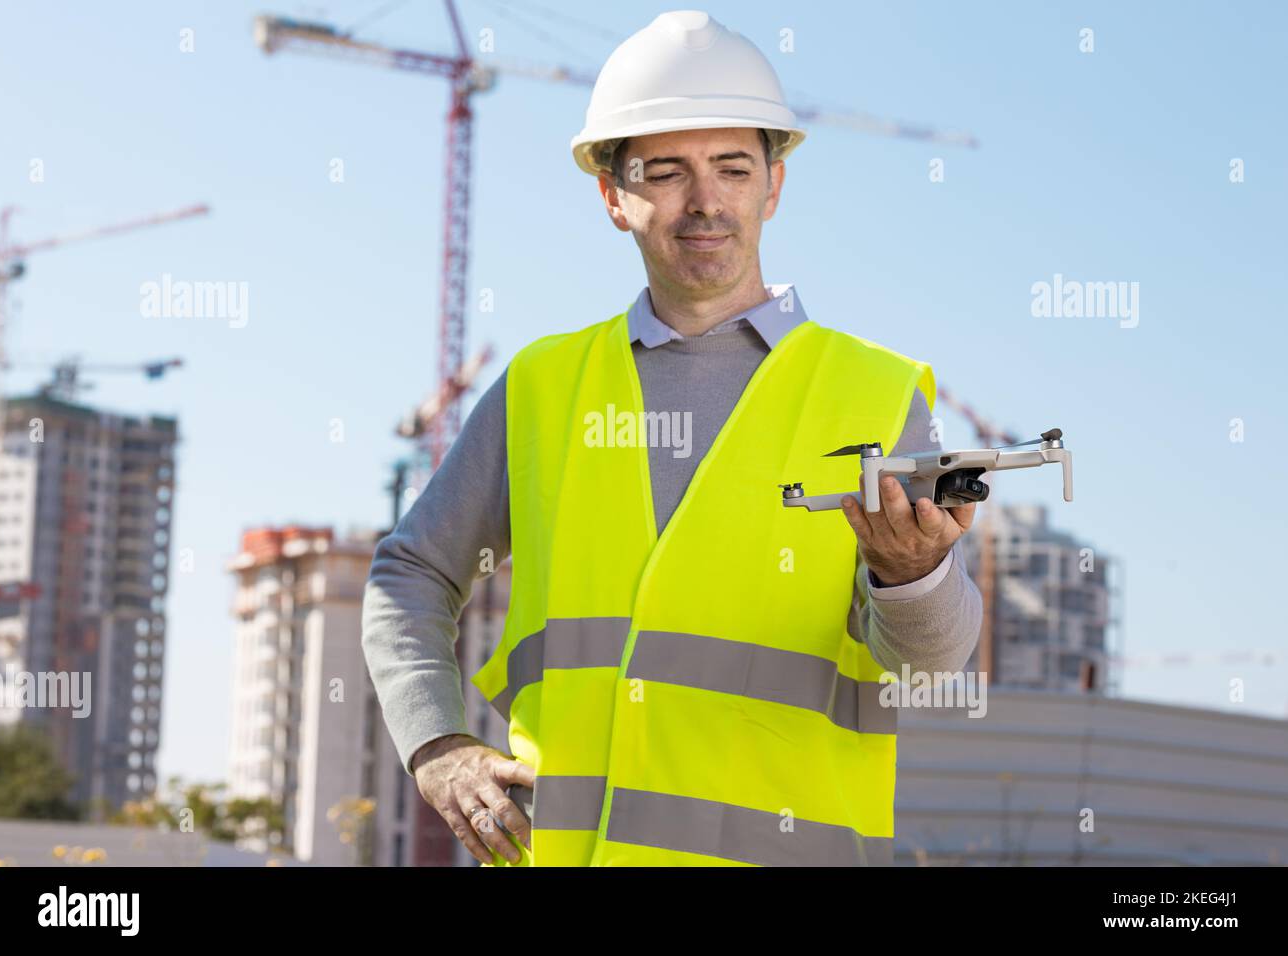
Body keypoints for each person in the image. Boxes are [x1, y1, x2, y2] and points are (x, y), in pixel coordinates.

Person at [362, 9, 982, 867]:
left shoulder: (874, 394)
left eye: (733, 168)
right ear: (614, 195)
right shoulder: (544, 387)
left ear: (773, 186)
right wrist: (437, 744)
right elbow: (412, 573)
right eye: (667, 172)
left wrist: (914, 577)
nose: (705, 201)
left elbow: (932, 667)